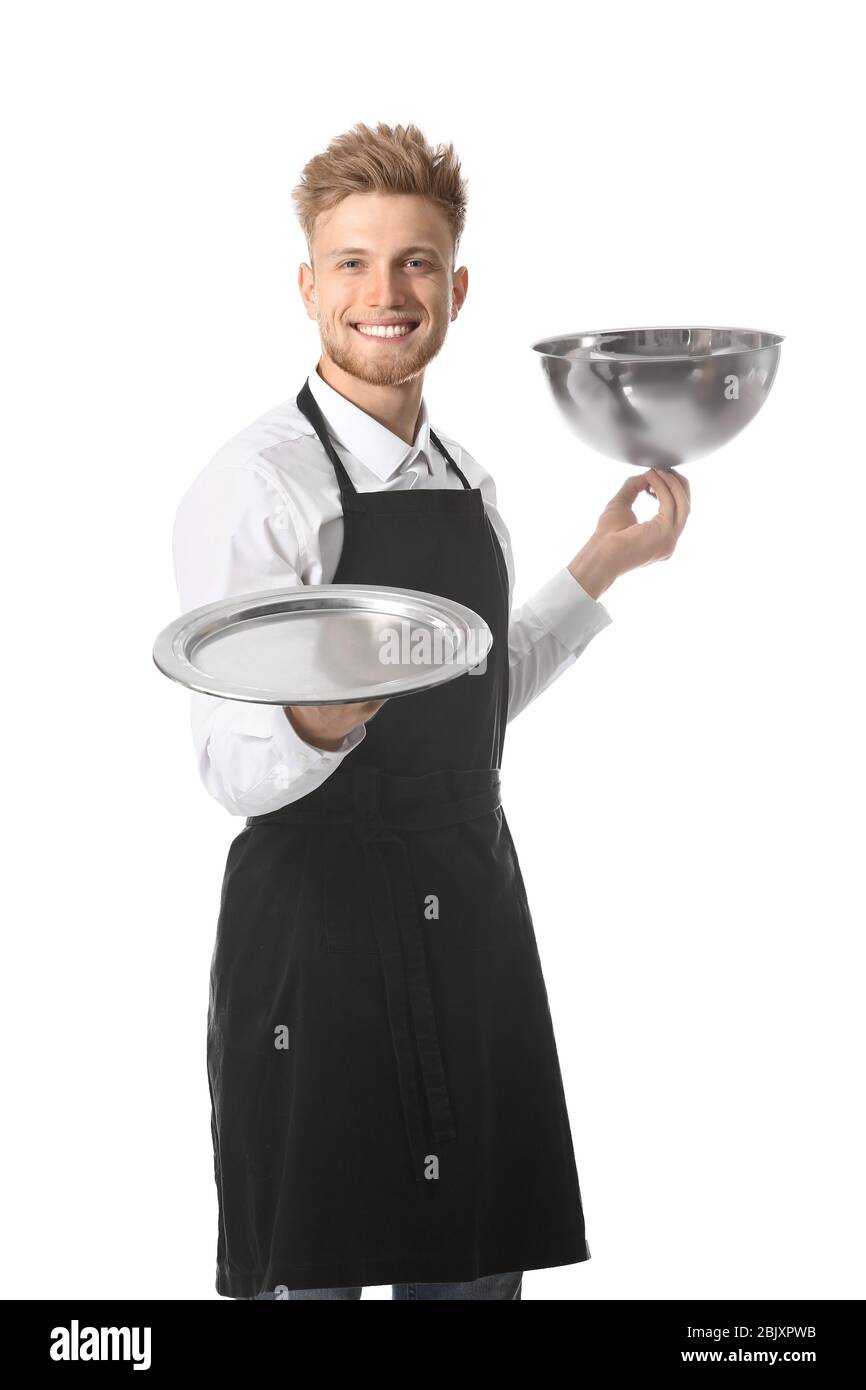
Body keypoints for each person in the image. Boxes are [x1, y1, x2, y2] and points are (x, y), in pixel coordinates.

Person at [172, 121, 690, 1302]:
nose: (383, 292)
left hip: (467, 900)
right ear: (307, 286)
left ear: (454, 288)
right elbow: (228, 768)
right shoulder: (255, 486)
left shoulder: (467, 476)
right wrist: (327, 712)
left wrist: (600, 564)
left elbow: (477, 698)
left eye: (413, 262)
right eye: (351, 262)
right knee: (316, 1269)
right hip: (319, 926)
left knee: (473, 1273)